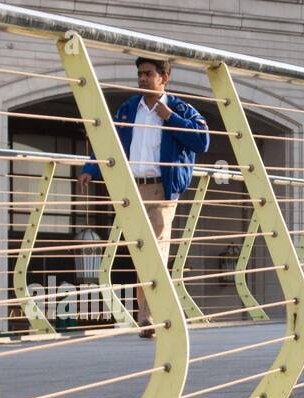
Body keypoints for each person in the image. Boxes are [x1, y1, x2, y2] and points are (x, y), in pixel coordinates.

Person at [78, 57, 210, 338]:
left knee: (155, 252)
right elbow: (107, 140)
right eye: (139, 74)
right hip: (131, 189)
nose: (142, 79)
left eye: (148, 74)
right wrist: (91, 168)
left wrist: (170, 118)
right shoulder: (128, 109)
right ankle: (157, 314)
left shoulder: (178, 108)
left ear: (164, 78)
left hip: (161, 189)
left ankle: (151, 317)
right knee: (142, 252)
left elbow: (203, 141)